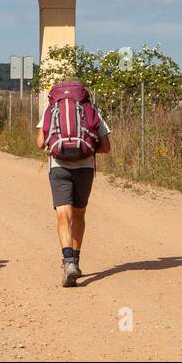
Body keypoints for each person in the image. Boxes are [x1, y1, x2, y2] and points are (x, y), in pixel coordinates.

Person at [37, 80, 111, 287]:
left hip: (59, 167)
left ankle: (68, 263)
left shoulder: (51, 111)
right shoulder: (92, 110)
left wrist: (61, 145)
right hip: (85, 168)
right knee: (79, 214)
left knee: (63, 214)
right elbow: (106, 147)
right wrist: (85, 147)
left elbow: (40, 143)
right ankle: (76, 260)